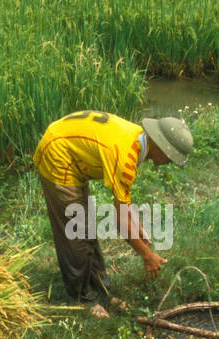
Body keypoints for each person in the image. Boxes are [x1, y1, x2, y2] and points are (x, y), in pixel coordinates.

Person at [33, 111, 192, 318]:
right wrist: (148, 255)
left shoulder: (137, 138)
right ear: (160, 147)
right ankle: (82, 300)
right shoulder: (126, 157)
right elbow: (120, 222)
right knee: (75, 231)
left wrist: (135, 223)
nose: (170, 162)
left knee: (86, 227)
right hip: (58, 153)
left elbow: (124, 202)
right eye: (171, 157)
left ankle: (101, 292)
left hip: (68, 148)